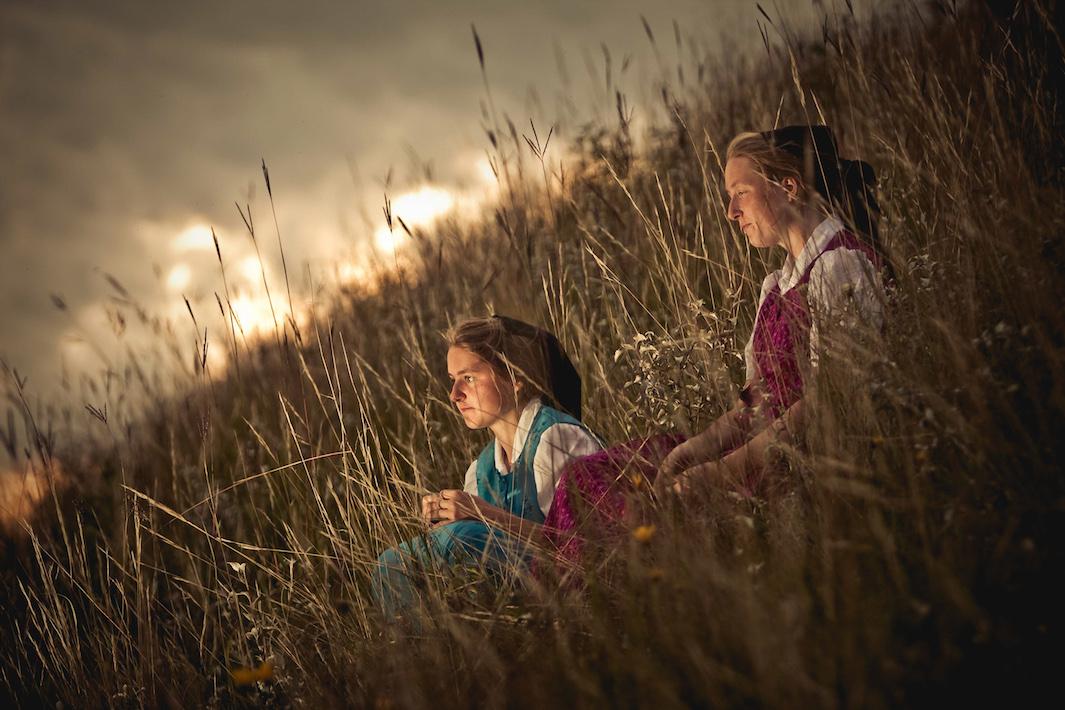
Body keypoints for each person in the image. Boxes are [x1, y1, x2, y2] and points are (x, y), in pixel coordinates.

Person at [542, 125, 888, 564]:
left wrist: (721, 471)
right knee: (589, 476)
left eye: (740, 192)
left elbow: (829, 403)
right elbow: (755, 403)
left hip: (802, 459)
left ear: (788, 186)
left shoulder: (839, 267)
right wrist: (699, 447)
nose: (730, 211)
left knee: (646, 508)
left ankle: (612, 608)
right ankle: (565, 604)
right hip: (757, 447)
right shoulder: (776, 285)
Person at [374, 315, 602, 614]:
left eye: (468, 378)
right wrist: (442, 530)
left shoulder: (557, 438)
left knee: (462, 538)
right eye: (452, 380)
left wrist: (480, 514)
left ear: (514, 377)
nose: (454, 395)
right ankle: (421, 652)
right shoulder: (480, 470)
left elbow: (585, 548)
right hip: (518, 603)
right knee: (392, 563)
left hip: (578, 594)